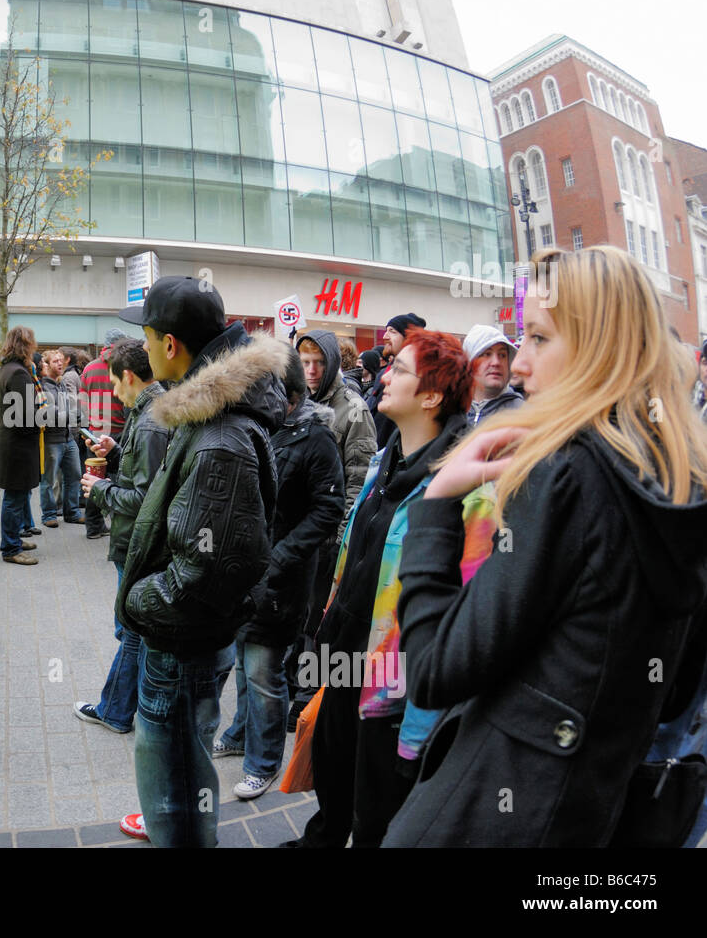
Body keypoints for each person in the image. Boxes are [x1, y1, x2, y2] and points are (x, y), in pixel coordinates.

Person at [385, 247, 707, 847]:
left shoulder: (569, 475)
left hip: (486, 816)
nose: (521, 365)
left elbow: (432, 669)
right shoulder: (678, 479)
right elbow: (673, 693)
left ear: (598, 348)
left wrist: (436, 507)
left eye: (537, 338)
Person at [113, 277, 288, 847]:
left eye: (145, 336)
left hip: (180, 643)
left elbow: (206, 570)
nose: (140, 350)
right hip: (186, 640)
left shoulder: (218, 436)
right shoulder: (206, 415)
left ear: (169, 345)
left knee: (177, 783)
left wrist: (138, 599)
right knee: (178, 771)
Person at [286, 328, 471, 849]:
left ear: (432, 396)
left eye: (402, 371)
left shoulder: (456, 478)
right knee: (332, 756)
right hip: (345, 642)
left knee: (378, 794)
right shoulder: (387, 458)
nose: (385, 374)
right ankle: (322, 838)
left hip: (392, 665)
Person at [215, 352, 344, 801]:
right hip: (242, 571)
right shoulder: (262, 427)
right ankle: (237, 735)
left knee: (264, 671)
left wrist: (280, 556)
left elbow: (328, 509)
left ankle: (263, 764)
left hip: (282, 577)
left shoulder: (316, 438)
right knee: (244, 662)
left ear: (288, 395)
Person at [74, 339, 168, 733]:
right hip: (141, 543)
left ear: (129, 376)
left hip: (137, 543)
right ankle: (121, 709)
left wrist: (100, 492)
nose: (112, 392)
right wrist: (114, 452)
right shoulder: (151, 409)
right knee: (134, 630)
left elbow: (147, 497)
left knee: (131, 630)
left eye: (115, 383)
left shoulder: (148, 421)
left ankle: (121, 711)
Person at [291, 330, 377, 720]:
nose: (310, 370)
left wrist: (341, 537)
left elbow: (359, 482)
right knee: (298, 614)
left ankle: (310, 698)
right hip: (298, 533)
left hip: (329, 536)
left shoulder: (353, 409)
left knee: (319, 618)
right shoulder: (295, 400)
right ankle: (297, 686)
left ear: (332, 363)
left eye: (318, 362)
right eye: (304, 362)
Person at [0, 326, 45, 565]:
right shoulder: (19, 374)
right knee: (15, 497)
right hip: (19, 446)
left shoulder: (7, 369)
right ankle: (10, 548)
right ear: (27, 346)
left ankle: (13, 538)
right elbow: (24, 417)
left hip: (12, 443)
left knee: (17, 495)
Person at [80, 329, 132, 539]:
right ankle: (119, 523)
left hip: (94, 433)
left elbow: (82, 401)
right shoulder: (123, 366)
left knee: (95, 478)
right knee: (119, 480)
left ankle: (93, 526)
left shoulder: (89, 368)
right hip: (118, 431)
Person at [367, 314, 426, 448]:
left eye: (392, 331)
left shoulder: (418, 376)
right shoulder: (383, 373)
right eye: (386, 330)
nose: (384, 336)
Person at [38, 350, 82, 527]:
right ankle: (48, 515)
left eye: (61, 361)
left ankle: (71, 512)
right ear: (46, 365)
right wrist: (72, 414)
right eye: (55, 361)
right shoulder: (42, 386)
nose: (60, 364)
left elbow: (70, 408)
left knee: (74, 475)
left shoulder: (61, 383)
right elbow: (50, 413)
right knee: (48, 480)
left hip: (67, 438)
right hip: (51, 440)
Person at [462, 324, 524, 427]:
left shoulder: (522, 414)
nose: (496, 362)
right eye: (487, 354)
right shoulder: (450, 411)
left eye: (502, 355)